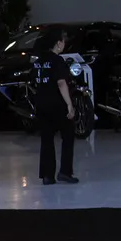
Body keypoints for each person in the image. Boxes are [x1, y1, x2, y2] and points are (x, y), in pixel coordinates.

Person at [33, 27, 77, 185]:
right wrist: (69, 105)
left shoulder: (38, 62)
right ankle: (65, 171)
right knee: (68, 136)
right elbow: (61, 83)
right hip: (57, 104)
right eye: (63, 41)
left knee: (46, 140)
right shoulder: (58, 61)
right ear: (58, 43)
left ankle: (47, 175)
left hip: (41, 104)